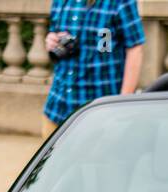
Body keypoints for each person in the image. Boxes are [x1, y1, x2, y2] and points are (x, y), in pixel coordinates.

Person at [42, 0, 144, 140]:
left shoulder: (122, 2)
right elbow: (53, 34)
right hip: (57, 109)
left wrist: (122, 104)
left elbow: (135, 49)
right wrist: (51, 40)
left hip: (101, 114)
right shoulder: (60, 2)